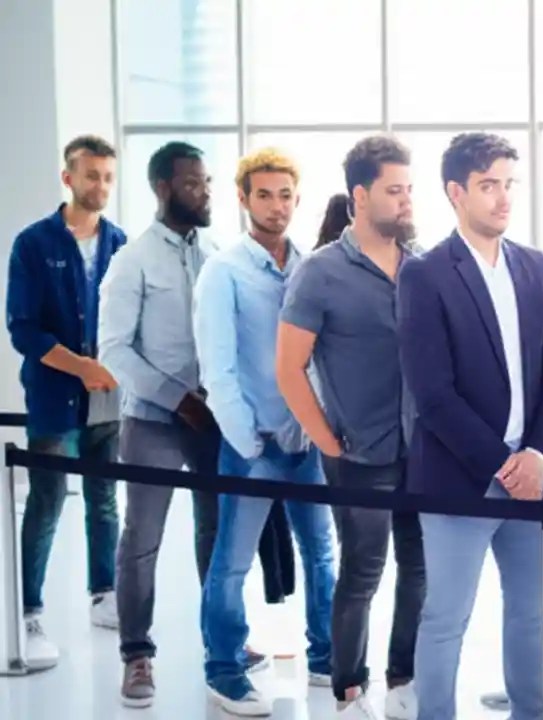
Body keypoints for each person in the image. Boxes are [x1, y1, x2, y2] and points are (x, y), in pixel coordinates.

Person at [399, 132, 543, 720]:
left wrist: (539, 454)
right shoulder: (425, 275)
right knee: (446, 616)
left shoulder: (535, 267)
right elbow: (432, 394)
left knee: (531, 612)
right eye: (488, 185)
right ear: (456, 192)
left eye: (509, 184)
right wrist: (504, 463)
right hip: (459, 477)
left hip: (530, 476)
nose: (503, 198)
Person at [100, 141, 267, 707]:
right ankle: (137, 656)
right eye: (193, 182)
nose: (206, 191)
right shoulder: (132, 258)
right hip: (153, 420)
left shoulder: (218, 251)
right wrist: (178, 399)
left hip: (213, 418)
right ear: (164, 188)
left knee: (219, 534)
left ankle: (221, 644)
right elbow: (114, 351)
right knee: (141, 540)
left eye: (207, 181)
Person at [278, 134, 424, 720]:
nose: (407, 201)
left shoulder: (423, 266)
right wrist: (326, 440)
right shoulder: (320, 272)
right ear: (360, 196)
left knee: (420, 567)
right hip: (358, 452)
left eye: (410, 190)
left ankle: (402, 681)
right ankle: (348, 692)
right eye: (395, 191)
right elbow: (289, 369)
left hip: (422, 450)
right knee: (363, 571)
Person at [195, 148, 337, 716]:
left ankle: (326, 658)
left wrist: (317, 428)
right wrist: (249, 440)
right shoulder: (223, 271)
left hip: (308, 445)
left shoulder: (313, 267)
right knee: (232, 561)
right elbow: (217, 368)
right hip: (252, 445)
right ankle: (224, 670)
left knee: (322, 554)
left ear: (297, 200)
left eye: (285, 195)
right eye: (264, 195)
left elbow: (322, 358)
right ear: (243, 198)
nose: (276, 206)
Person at [5, 135, 126, 669]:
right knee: (48, 502)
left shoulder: (120, 241)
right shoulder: (34, 244)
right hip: (56, 397)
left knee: (104, 499)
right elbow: (23, 330)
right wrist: (82, 368)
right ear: (68, 178)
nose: (99, 185)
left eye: (106, 176)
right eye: (90, 175)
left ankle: (105, 593)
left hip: (109, 401)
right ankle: (28, 612)